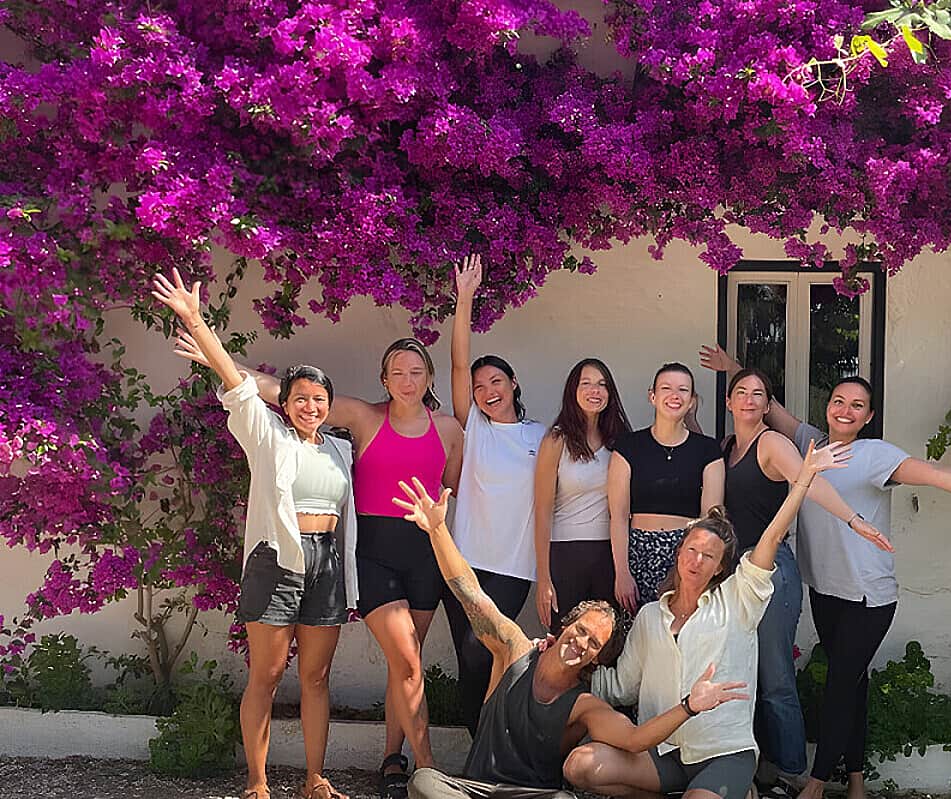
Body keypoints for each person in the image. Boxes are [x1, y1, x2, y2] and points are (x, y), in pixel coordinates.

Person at [700, 344, 951, 799]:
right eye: (838, 402)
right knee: (855, 685)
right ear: (827, 408)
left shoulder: (876, 455)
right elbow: (771, 407)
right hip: (825, 592)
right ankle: (856, 782)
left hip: (868, 597)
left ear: (868, 416)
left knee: (839, 686)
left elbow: (936, 475)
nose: (845, 411)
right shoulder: (811, 444)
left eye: (857, 406)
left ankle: (815, 783)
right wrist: (734, 370)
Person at [176, 332, 463, 797]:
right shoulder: (330, 426)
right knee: (279, 673)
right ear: (383, 379)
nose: (407, 380)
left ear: (429, 377)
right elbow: (265, 389)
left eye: (417, 371)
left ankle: (362, 767)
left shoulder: (347, 447)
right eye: (397, 372)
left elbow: (451, 489)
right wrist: (215, 354)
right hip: (316, 558)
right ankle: (262, 781)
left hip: (359, 558)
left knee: (376, 669)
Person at [392, 477, 751, 799]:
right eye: (580, 631)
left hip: (535, 795)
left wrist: (689, 705)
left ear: (596, 658)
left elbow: (634, 740)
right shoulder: (514, 650)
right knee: (425, 782)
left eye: (593, 644)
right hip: (476, 790)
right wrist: (438, 530)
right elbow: (472, 594)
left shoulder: (584, 705)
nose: (580, 644)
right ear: (564, 626)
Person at [565, 440, 884, 799]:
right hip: (664, 753)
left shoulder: (737, 600)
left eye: (709, 556)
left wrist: (803, 480)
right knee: (580, 765)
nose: (697, 560)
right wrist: (557, 667)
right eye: (692, 550)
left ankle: (729, 787)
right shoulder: (651, 616)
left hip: (723, 754)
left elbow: (772, 536)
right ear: (679, 552)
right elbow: (620, 686)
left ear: (720, 567)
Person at [152, 269, 357, 799]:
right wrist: (197, 322)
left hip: (327, 563)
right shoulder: (267, 435)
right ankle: (257, 782)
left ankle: (316, 777)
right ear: (284, 402)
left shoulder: (339, 448)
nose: (310, 406)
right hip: (276, 562)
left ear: (328, 405)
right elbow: (241, 388)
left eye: (319, 398)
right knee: (265, 675)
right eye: (300, 398)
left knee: (316, 678)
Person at [722, 367, 894, 796]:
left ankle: (796, 773)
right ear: (727, 402)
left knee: (777, 677)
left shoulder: (779, 443)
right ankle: (777, 766)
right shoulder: (727, 447)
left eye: (758, 394)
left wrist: (854, 520)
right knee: (745, 672)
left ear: (768, 404)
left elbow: (808, 484)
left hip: (774, 571)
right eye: (740, 392)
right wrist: (729, 365)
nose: (749, 399)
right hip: (738, 572)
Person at [450, 254, 547, 734]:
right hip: (465, 561)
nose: (488, 390)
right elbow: (459, 359)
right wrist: (465, 299)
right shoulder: (475, 428)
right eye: (479, 385)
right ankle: (477, 750)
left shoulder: (541, 435)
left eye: (497, 381)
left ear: (513, 385)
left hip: (513, 566)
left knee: (483, 649)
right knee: (468, 660)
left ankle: (491, 740)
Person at [609, 362, 724, 616]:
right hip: (637, 553)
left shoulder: (708, 450)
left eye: (683, 390)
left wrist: (697, 566)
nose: (675, 396)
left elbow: (710, 521)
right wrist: (622, 573)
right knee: (636, 639)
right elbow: (617, 516)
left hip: (685, 555)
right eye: (666, 388)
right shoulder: (628, 446)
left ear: (692, 400)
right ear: (653, 396)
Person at [534, 358, 632, 633]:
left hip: (609, 554)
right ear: (572, 391)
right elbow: (542, 510)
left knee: (607, 643)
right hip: (566, 553)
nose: (594, 391)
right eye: (586, 384)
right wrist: (543, 578)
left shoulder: (621, 440)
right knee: (565, 643)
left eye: (602, 384)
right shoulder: (557, 440)